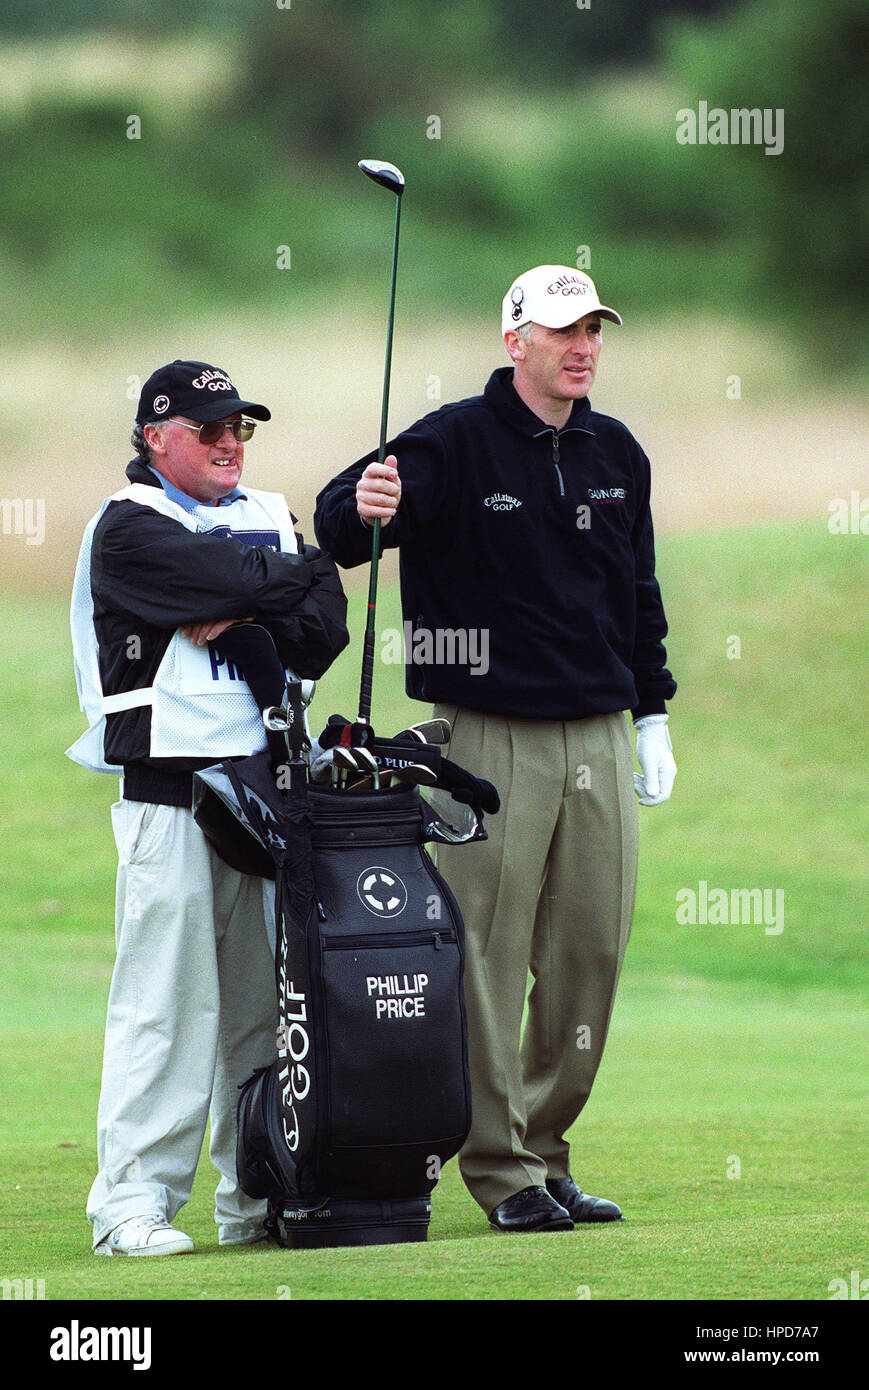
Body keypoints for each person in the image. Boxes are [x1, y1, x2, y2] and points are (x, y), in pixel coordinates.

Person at [314, 266, 677, 1233]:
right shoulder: (450, 441)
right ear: (515, 340)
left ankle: (546, 1150)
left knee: (587, 951)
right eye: (563, 331)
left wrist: (652, 712)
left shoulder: (616, 450)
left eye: (593, 330)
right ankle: (499, 1165)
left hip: (598, 727)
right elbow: (342, 525)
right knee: (486, 953)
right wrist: (362, 501)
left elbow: (638, 591)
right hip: (488, 730)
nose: (582, 347)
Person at [68, 359, 348, 1255]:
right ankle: (130, 1205)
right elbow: (290, 584)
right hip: (170, 791)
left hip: (264, 792)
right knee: (166, 1004)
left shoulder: (268, 509)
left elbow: (325, 626)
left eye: (241, 428)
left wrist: (245, 596)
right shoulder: (127, 526)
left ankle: (255, 1198)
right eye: (210, 428)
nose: (232, 443)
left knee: (265, 1012)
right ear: (157, 438)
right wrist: (275, 583)